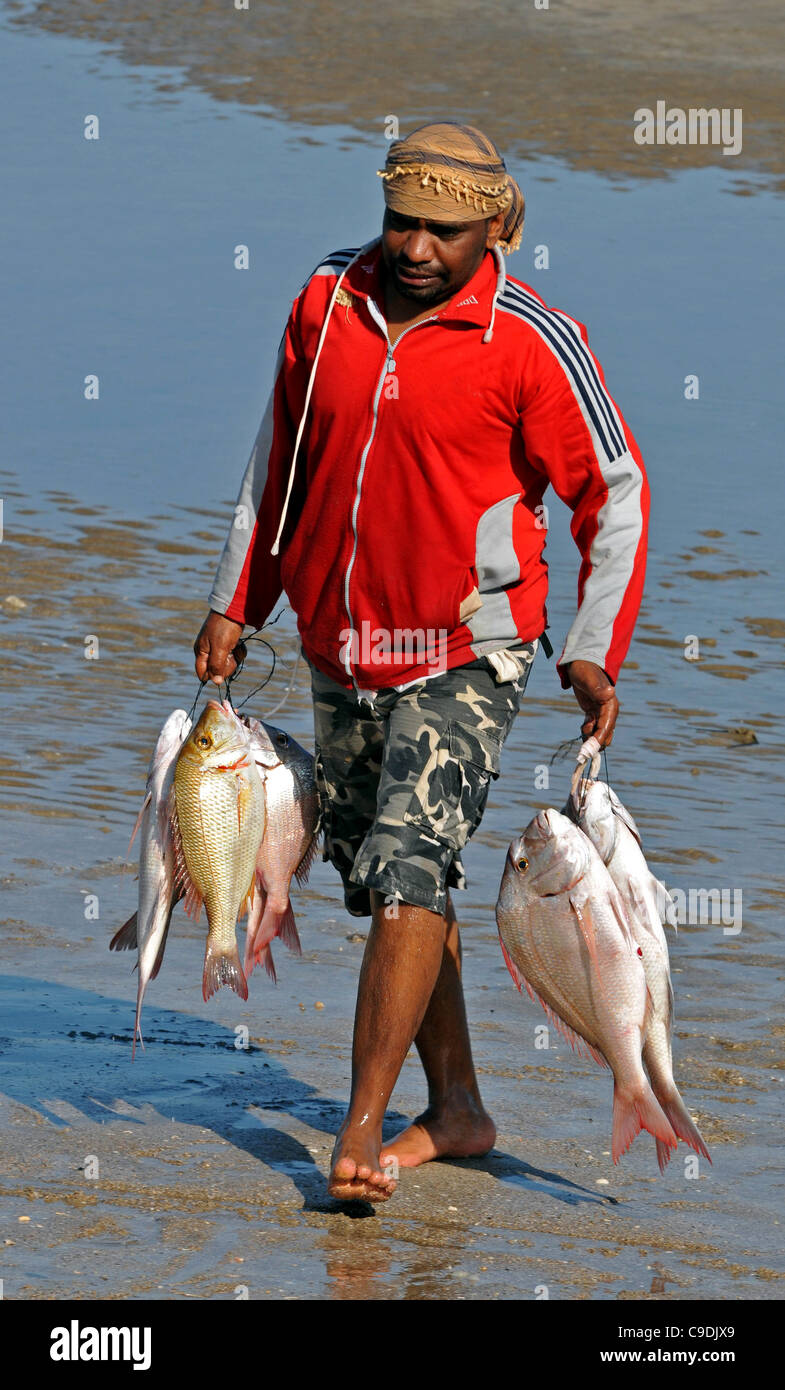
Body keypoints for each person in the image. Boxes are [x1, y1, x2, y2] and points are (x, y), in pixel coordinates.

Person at [194, 122, 649, 1202]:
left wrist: (590, 650)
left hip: (465, 651)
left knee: (406, 865)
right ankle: (457, 1108)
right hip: (336, 644)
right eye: (401, 220)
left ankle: (360, 1129)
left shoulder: (531, 339)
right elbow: (280, 455)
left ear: (493, 228)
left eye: (444, 230)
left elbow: (615, 491)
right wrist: (233, 599)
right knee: (396, 881)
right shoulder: (323, 300)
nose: (414, 246)